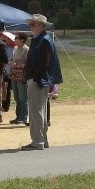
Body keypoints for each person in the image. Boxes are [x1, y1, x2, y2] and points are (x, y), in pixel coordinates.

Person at [21, 14, 60, 150]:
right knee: (40, 111)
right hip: (39, 80)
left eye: (34, 24)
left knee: (35, 112)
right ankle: (42, 140)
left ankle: (37, 141)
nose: (31, 26)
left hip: (38, 81)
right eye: (30, 24)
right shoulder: (40, 40)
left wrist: (36, 79)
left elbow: (44, 64)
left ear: (42, 26)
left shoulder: (43, 41)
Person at [8, 32, 30, 125]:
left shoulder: (26, 50)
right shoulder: (16, 48)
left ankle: (24, 117)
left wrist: (20, 65)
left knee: (22, 97)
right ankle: (18, 116)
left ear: (22, 40)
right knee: (16, 97)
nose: (15, 39)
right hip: (14, 75)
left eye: (16, 38)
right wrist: (11, 63)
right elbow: (11, 59)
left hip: (22, 76)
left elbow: (28, 64)